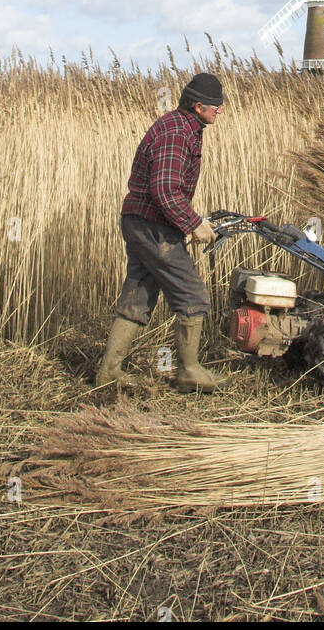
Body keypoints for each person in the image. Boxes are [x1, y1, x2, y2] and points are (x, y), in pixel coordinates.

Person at [95, 71, 227, 393]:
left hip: (142, 222)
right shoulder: (177, 132)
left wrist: (189, 220)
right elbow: (165, 190)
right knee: (192, 294)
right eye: (215, 105)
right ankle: (188, 371)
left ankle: (108, 371)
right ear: (198, 106)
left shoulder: (183, 126)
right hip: (151, 226)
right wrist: (193, 223)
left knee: (139, 294)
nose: (219, 110)